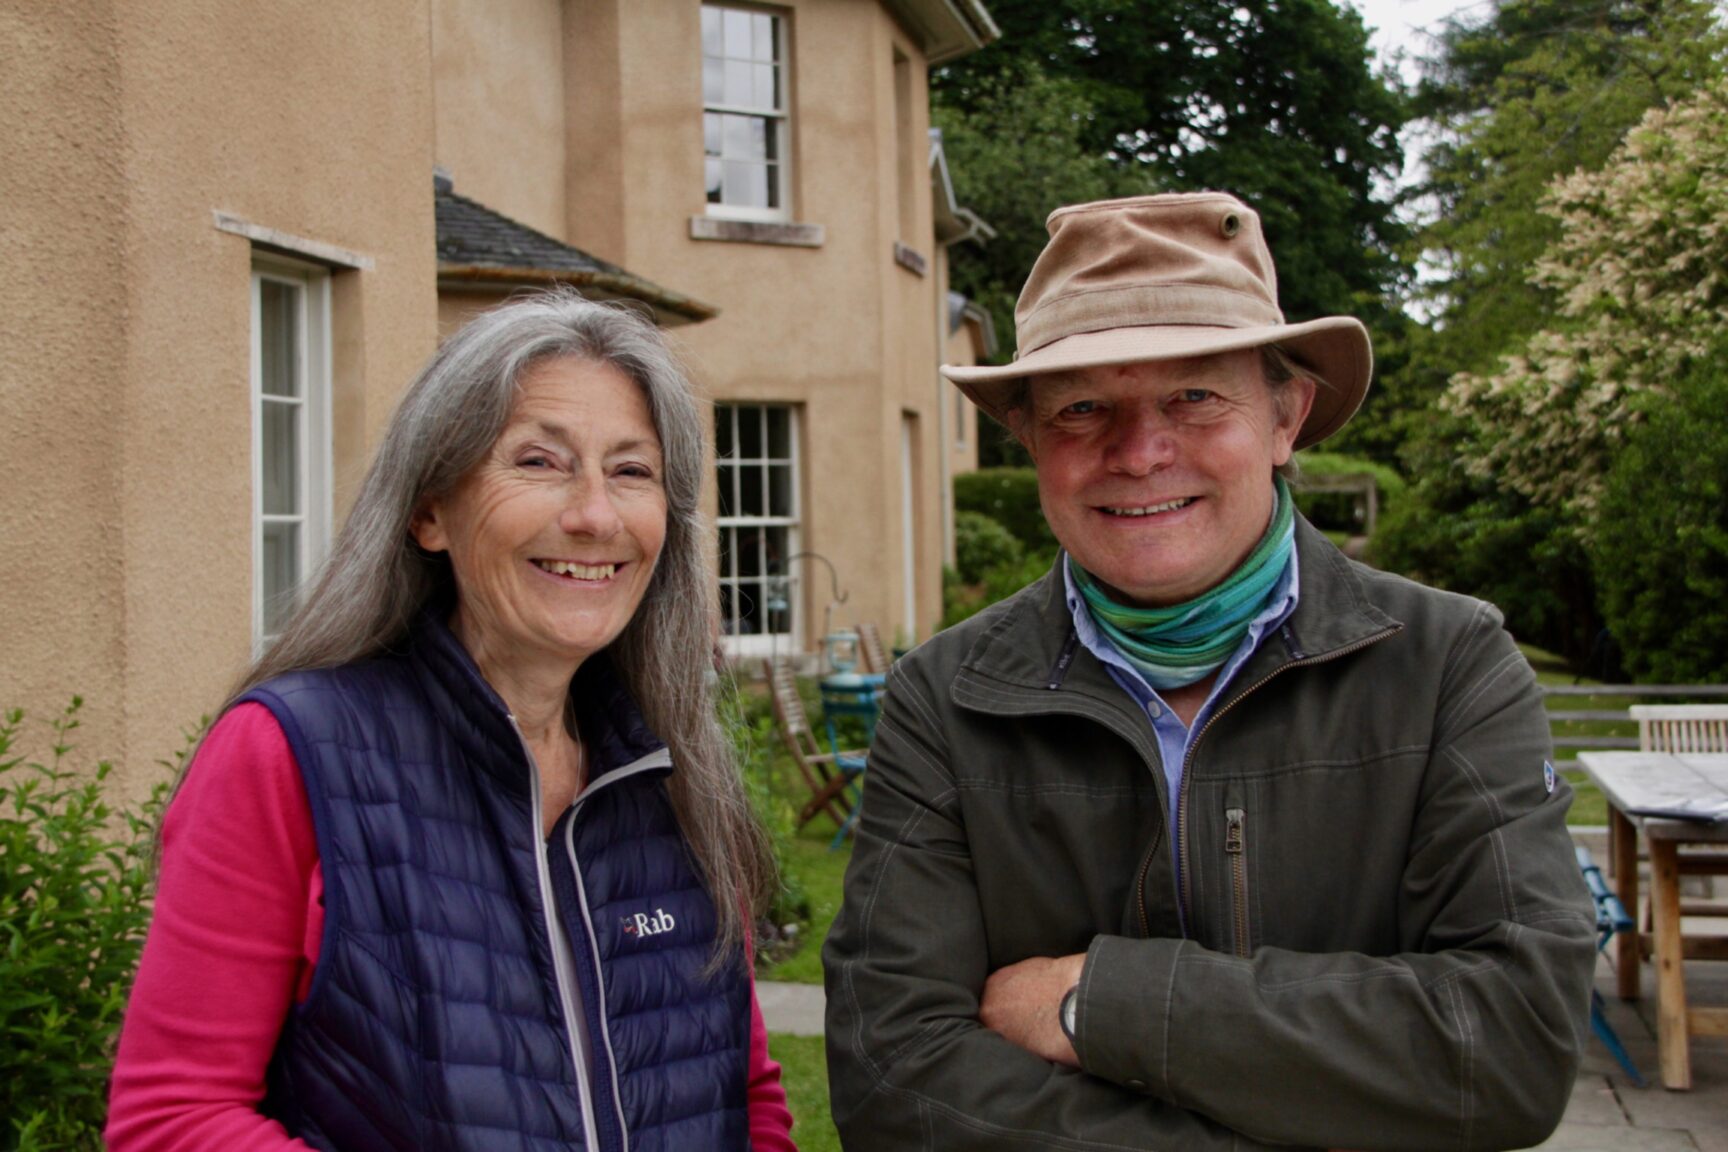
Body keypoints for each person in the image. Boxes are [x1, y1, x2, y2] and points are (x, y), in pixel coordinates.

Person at [823, 193, 1595, 1151]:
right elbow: (891, 1077)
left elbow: (1512, 1044)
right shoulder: (944, 699)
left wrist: (1101, 1003)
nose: (1140, 451)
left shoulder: (1448, 665)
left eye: (1194, 395)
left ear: (1286, 418)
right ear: (1029, 440)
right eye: (1082, 407)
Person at [108, 293, 796, 1151]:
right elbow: (171, 1120)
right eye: (540, 462)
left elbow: (746, 1105)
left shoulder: (672, 776)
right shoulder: (288, 753)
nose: (594, 515)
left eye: (631, 471)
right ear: (430, 511)